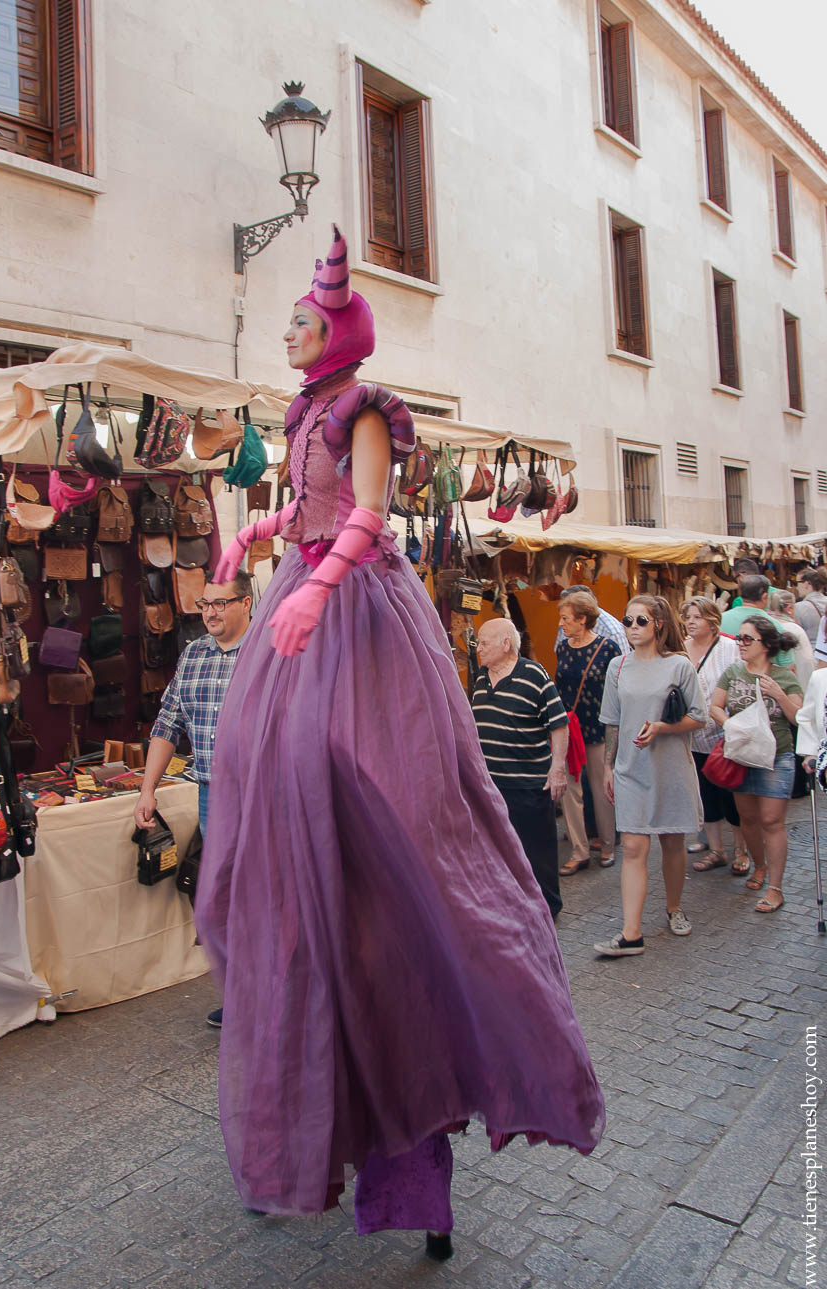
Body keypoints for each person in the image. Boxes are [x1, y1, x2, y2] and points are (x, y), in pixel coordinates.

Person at [194, 226, 604, 1256]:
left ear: (337, 331)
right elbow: (308, 508)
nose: (287, 331)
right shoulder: (302, 413)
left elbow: (367, 514)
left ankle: (421, 1148)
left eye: (301, 319)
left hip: (357, 613)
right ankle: (300, 1110)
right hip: (304, 595)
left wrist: (317, 586)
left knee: (381, 791)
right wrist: (250, 536)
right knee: (270, 784)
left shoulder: (363, 410)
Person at [135, 572, 252, 1028]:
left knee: (263, 893)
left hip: (261, 795)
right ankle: (242, 996)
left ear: (245, 603)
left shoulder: (270, 652)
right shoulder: (193, 655)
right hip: (211, 796)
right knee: (222, 897)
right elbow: (168, 723)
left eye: (220, 603)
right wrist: (147, 789)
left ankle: (278, 994)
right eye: (205, 604)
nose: (210, 613)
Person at [593, 595, 707, 958]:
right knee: (633, 847)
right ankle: (632, 933)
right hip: (630, 768)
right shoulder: (618, 666)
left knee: (672, 842)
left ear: (659, 623)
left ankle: (674, 908)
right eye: (627, 621)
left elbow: (699, 717)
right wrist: (608, 766)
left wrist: (662, 727)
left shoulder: (679, 666)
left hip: (670, 768)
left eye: (640, 620)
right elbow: (612, 721)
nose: (632, 627)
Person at [472, 617, 569, 919]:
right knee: (499, 849)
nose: (478, 648)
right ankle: (511, 905)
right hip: (492, 784)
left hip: (529, 783)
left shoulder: (533, 674)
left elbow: (558, 724)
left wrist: (558, 768)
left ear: (505, 644)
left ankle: (547, 908)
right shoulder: (480, 678)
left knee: (537, 850)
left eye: (484, 642)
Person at [709, 616, 803, 913]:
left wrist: (778, 694)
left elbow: (798, 717)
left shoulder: (784, 677)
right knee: (747, 818)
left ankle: (775, 888)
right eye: (740, 638)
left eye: (747, 639)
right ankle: (759, 866)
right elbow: (715, 706)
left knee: (772, 822)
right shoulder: (733, 673)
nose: (740, 643)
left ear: (766, 644)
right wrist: (731, 725)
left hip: (777, 757)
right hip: (742, 756)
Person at [554, 590, 620, 874]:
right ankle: (579, 851)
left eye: (566, 618)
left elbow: (617, 692)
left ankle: (607, 846)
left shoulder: (608, 649)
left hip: (598, 728)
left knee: (600, 788)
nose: (561, 623)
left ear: (582, 619)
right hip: (570, 729)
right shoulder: (563, 648)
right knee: (570, 789)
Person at [681, 597, 748, 874]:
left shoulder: (729, 648)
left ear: (712, 621)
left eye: (697, 617)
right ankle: (717, 850)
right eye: (687, 617)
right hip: (694, 737)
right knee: (705, 795)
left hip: (725, 736)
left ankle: (742, 850)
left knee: (732, 796)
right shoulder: (682, 649)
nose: (691, 622)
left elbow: (742, 684)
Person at [720, 575, 795, 668]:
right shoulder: (774, 625)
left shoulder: (720, 621)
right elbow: (788, 666)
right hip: (764, 676)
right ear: (765, 596)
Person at [555, 584, 630, 654]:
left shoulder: (611, 632)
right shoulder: (566, 625)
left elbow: (623, 662)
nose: (560, 623)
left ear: (582, 617)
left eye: (565, 617)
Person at [769, 589, 814, 690]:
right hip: (792, 683)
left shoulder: (765, 626)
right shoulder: (795, 629)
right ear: (789, 608)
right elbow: (806, 660)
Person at [793, 566, 827, 649]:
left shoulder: (799, 607)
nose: (796, 587)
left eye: (797, 583)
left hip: (812, 652)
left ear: (806, 584)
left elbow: (796, 636)